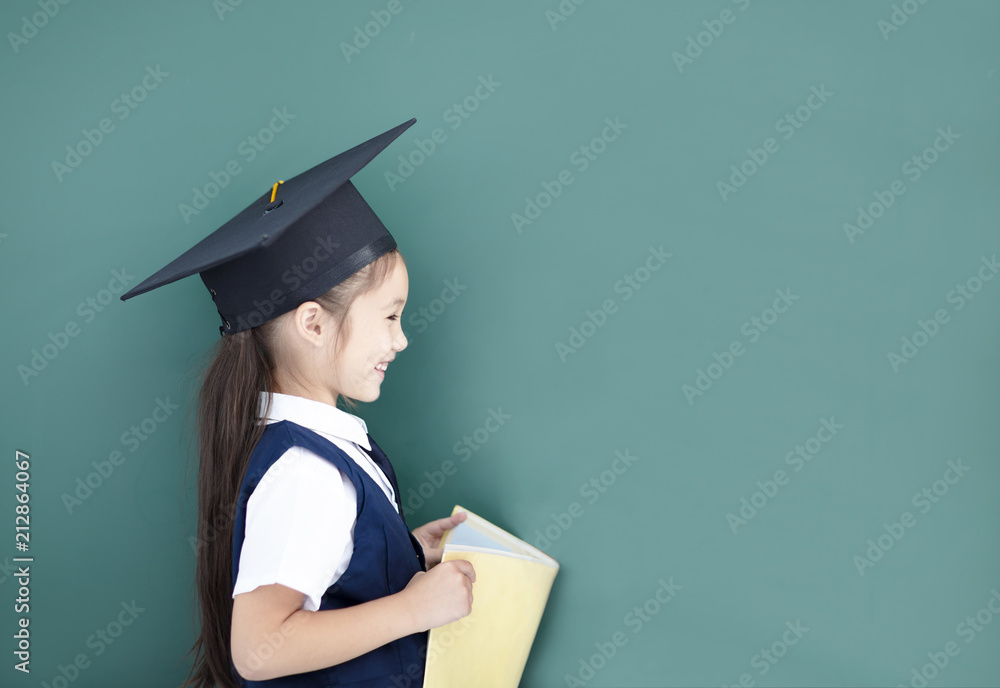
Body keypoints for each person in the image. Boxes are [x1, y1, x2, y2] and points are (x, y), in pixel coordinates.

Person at [121, 118, 476, 687]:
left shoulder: (306, 447)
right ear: (313, 322)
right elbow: (259, 649)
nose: (401, 338)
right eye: (389, 316)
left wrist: (402, 556)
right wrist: (414, 608)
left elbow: (322, 580)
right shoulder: (307, 470)